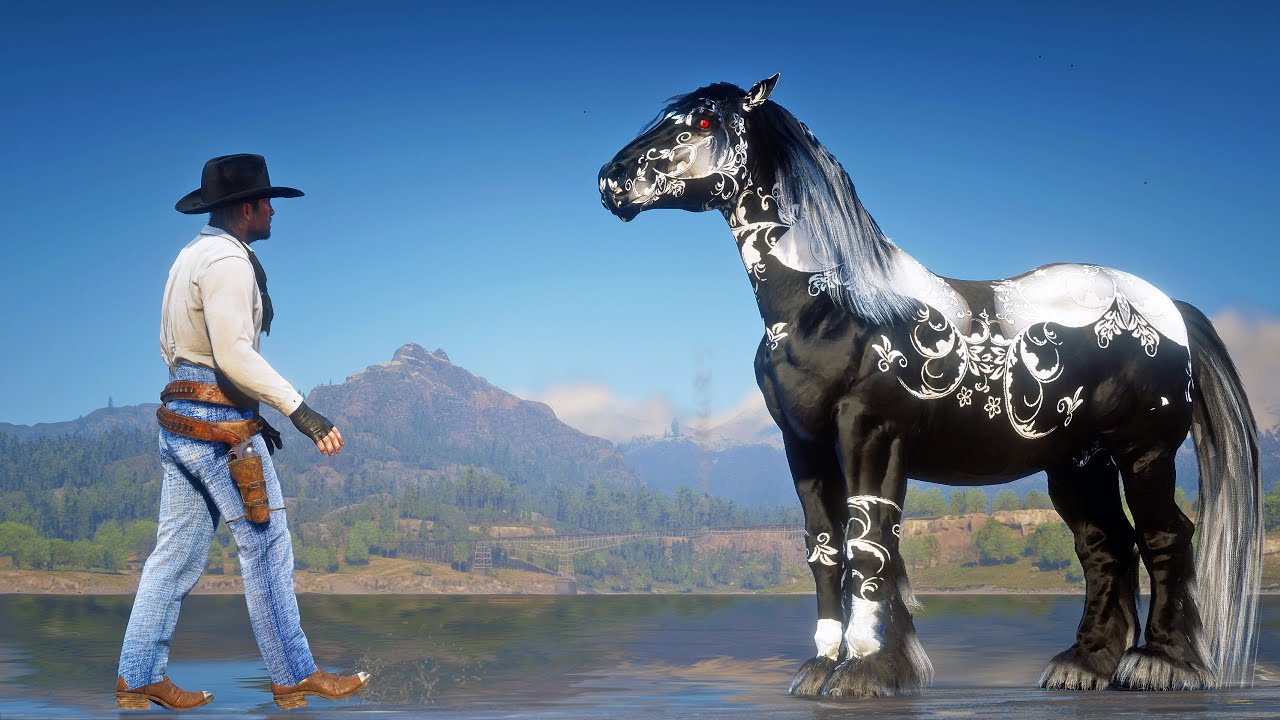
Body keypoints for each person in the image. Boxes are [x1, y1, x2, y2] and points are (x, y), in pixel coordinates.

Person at [115, 154, 370, 711]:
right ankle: (293, 674)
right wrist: (301, 413)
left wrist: (244, 407)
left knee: (174, 555)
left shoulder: (189, 257)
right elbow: (232, 354)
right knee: (267, 548)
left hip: (182, 415)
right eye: (267, 201)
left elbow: (173, 349)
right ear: (246, 208)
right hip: (218, 426)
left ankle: (137, 677)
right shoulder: (229, 263)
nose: (274, 211)